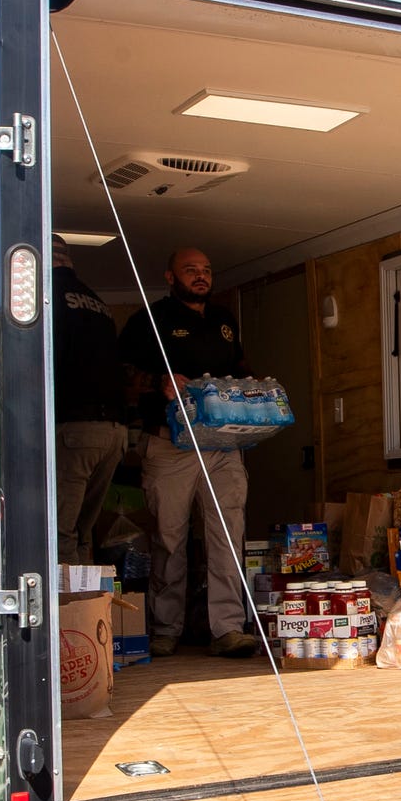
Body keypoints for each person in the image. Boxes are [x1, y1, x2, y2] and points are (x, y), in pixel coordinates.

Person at [117, 246, 258, 658]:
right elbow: (120, 372)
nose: (201, 276)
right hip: (170, 445)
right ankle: (165, 630)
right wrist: (157, 380)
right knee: (169, 538)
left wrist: (257, 393)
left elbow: (243, 369)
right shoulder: (149, 319)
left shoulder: (223, 321)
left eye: (206, 270)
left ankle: (227, 629)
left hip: (223, 447)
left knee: (227, 535)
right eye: (190, 270)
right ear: (170, 276)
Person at [51, 247, 130, 565]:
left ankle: (66, 613)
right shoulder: (96, 302)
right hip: (114, 433)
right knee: (83, 531)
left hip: (75, 430)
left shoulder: (47, 296)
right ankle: (85, 609)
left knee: (59, 532)